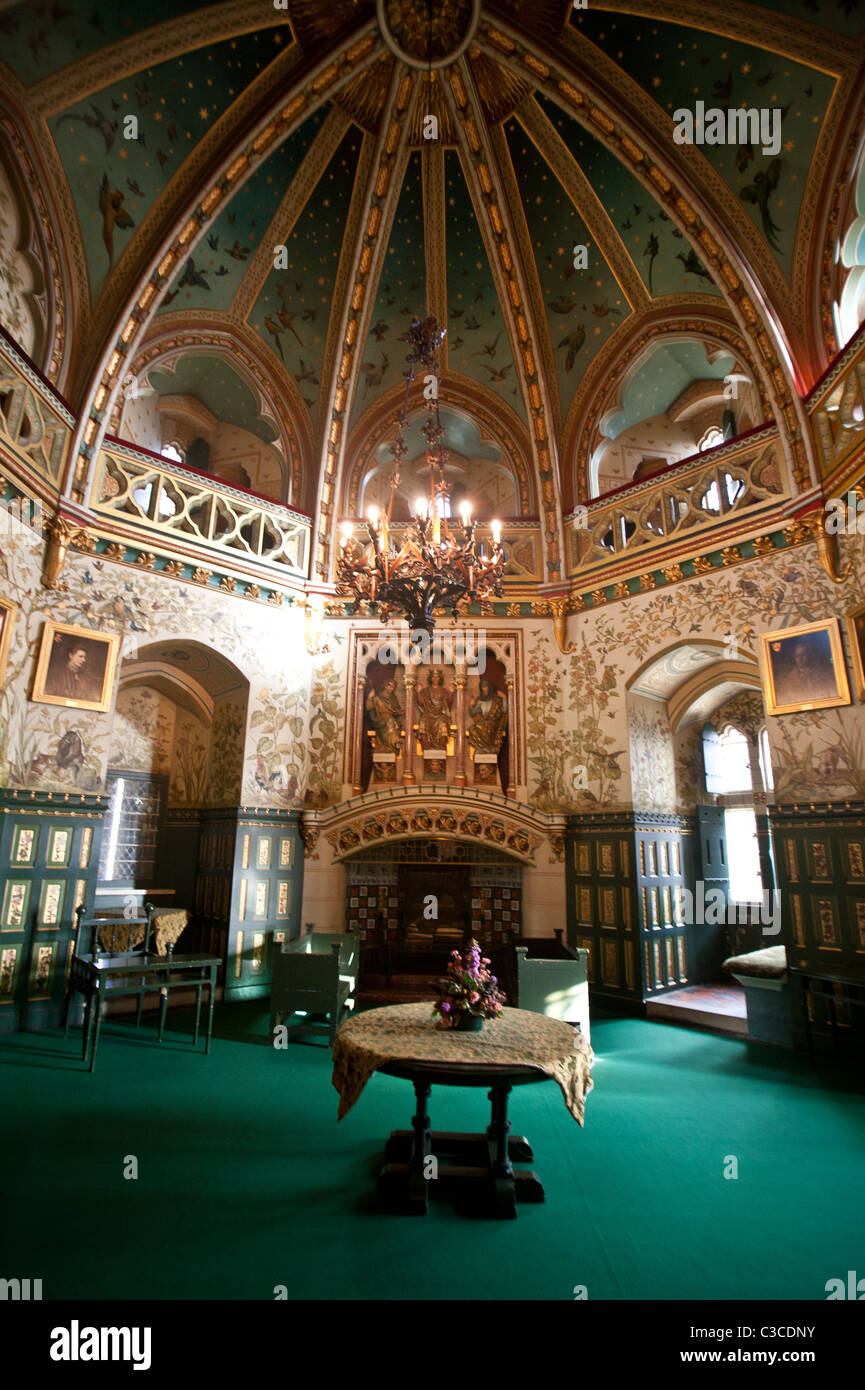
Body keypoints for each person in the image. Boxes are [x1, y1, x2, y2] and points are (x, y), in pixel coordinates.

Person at [774, 637, 837, 705]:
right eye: (797, 656)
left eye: (803, 655)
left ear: (810, 655)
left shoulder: (822, 675)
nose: (800, 659)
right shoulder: (788, 681)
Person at [467, 676, 508, 753]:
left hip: (493, 723)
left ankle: (488, 748)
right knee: (472, 729)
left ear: (490, 687)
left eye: (486, 687)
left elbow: (504, 710)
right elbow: (473, 713)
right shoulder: (479, 701)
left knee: (482, 727)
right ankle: (482, 748)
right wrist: (471, 705)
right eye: (482, 687)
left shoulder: (496, 699)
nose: (484, 689)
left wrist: (504, 698)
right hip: (483, 723)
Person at [416, 668, 453, 750]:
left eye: (437, 677)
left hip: (440, 714)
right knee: (423, 720)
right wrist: (418, 692)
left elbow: (448, 703)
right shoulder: (426, 691)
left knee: (443, 722)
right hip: (428, 714)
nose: (435, 678)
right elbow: (421, 703)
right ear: (430, 678)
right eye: (433, 677)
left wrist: (451, 692)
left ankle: (442, 743)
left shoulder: (443, 691)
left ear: (440, 679)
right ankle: (425, 743)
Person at [365, 675, 403, 752]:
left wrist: (399, 712)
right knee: (390, 721)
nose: (392, 689)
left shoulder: (393, 697)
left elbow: (396, 709)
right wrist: (369, 698)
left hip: (391, 718)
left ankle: (392, 746)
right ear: (385, 686)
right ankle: (393, 743)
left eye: (393, 687)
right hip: (379, 719)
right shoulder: (378, 697)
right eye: (390, 686)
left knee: (392, 721)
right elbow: (369, 707)